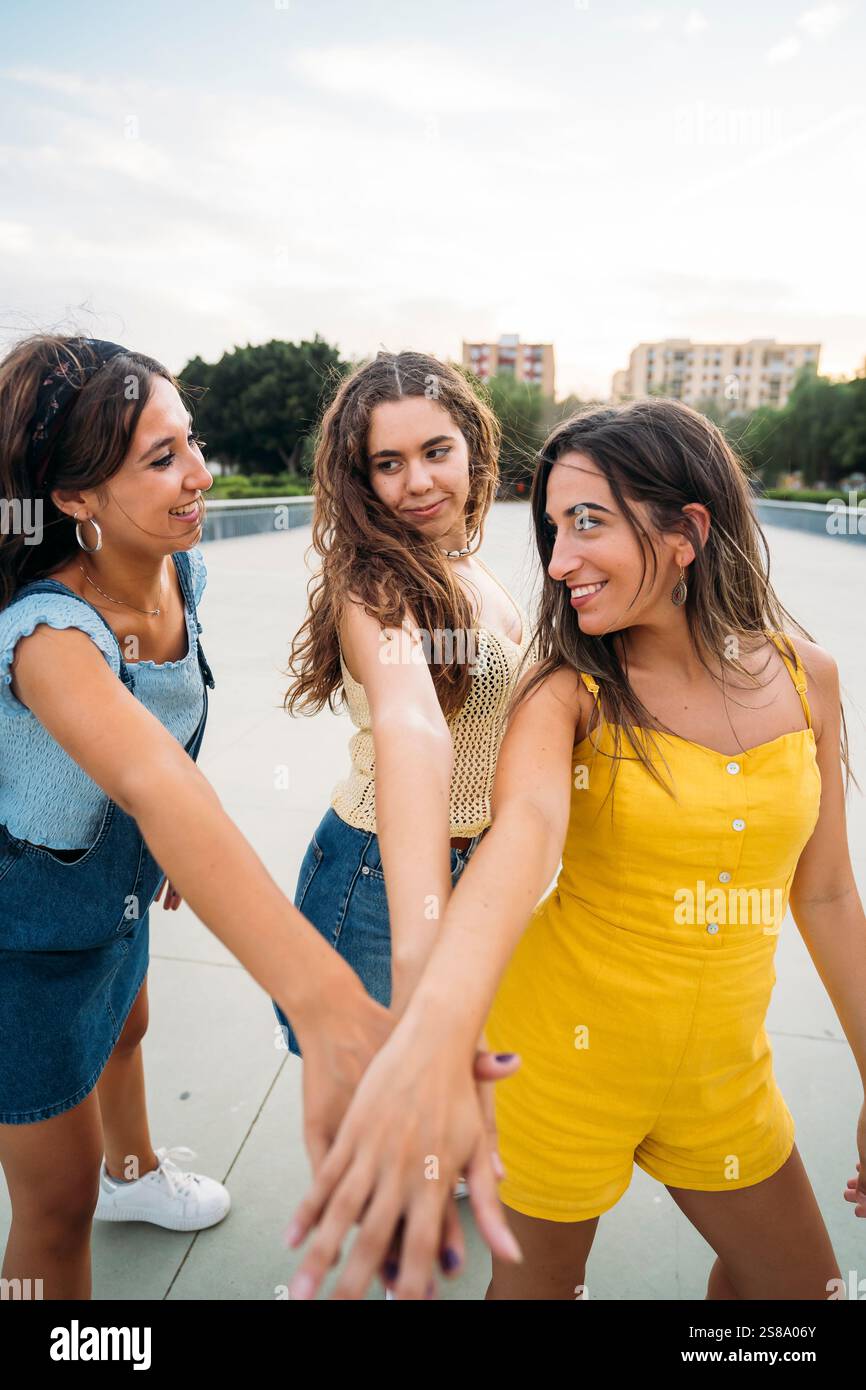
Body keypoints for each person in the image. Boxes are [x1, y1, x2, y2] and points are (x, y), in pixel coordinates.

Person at [284, 396, 866, 1301]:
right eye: (552, 528)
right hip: (556, 1062)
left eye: (586, 522)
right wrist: (431, 1028)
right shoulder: (568, 691)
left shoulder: (809, 676)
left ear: (688, 530)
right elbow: (521, 839)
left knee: (799, 1297)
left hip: (725, 1071)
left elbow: (825, 895)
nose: (559, 561)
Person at [0, 335, 520, 1300]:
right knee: (51, 1206)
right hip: (20, 935)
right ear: (72, 499)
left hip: (105, 883)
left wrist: (145, 862)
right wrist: (331, 1006)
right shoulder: (48, 636)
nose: (200, 475)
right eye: (162, 460)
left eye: (189, 441)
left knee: (126, 1026)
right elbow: (156, 778)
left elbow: (166, 733)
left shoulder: (171, 569)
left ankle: (133, 1174)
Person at [271, 350, 534, 1284]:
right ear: (359, 477)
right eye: (389, 463)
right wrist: (429, 946)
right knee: (369, 1126)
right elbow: (413, 725)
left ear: (474, 449)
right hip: (381, 883)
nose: (418, 481)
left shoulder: (477, 570)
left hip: (463, 878)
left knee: (429, 1108)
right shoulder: (374, 584)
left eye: (437, 450)